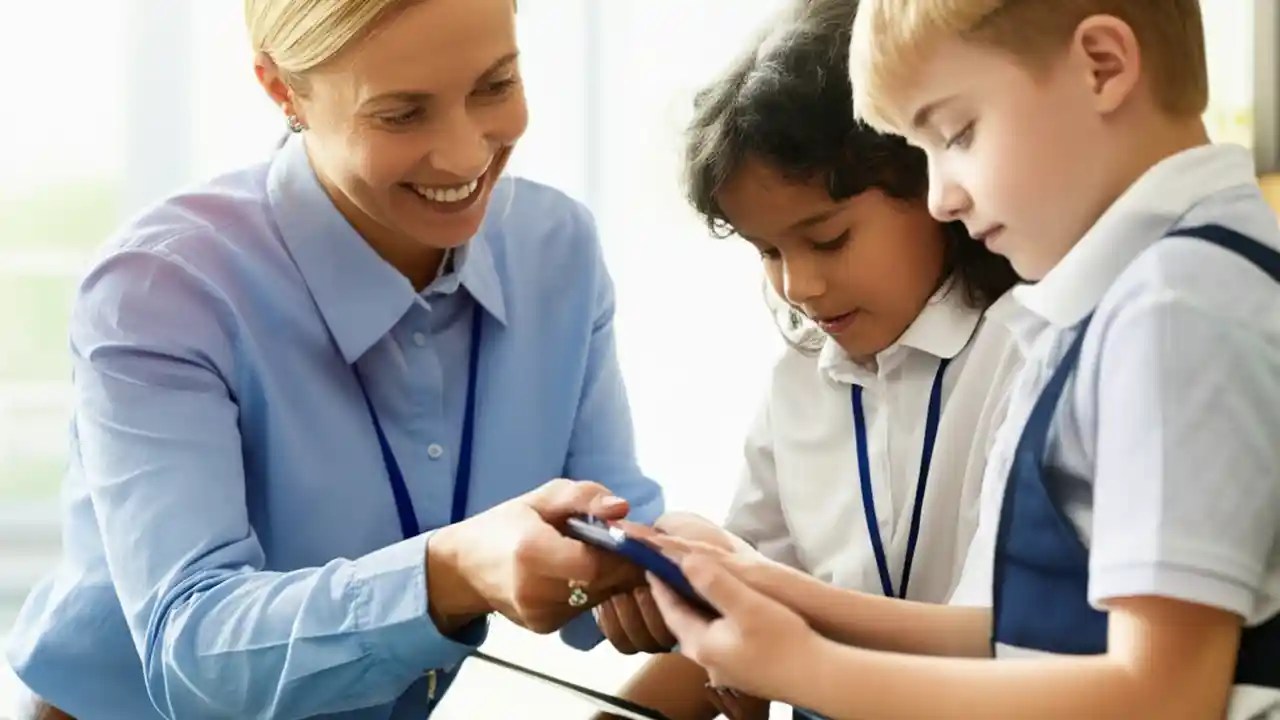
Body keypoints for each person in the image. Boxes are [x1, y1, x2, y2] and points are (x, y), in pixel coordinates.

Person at [3, 0, 663, 718]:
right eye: (402, 114)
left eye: (494, 86)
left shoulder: (555, 247)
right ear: (282, 89)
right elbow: (195, 652)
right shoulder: (162, 288)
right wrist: (453, 572)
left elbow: (614, 527)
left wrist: (670, 575)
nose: (467, 155)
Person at [645, 0, 1280, 718]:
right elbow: (1014, 636)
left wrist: (803, 666)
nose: (941, 198)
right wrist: (760, 589)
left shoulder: (1176, 308)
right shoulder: (1123, 305)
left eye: (958, 134)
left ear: (1102, 66)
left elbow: (1164, 696)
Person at [592, 1, 1021, 717]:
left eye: (827, 240)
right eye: (768, 251)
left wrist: (750, 591)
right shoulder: (801, 377)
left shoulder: (1021, 350)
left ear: (930, 179)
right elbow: (731, 619)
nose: (799, 286)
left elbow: (1002, 645)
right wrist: (692, 594)